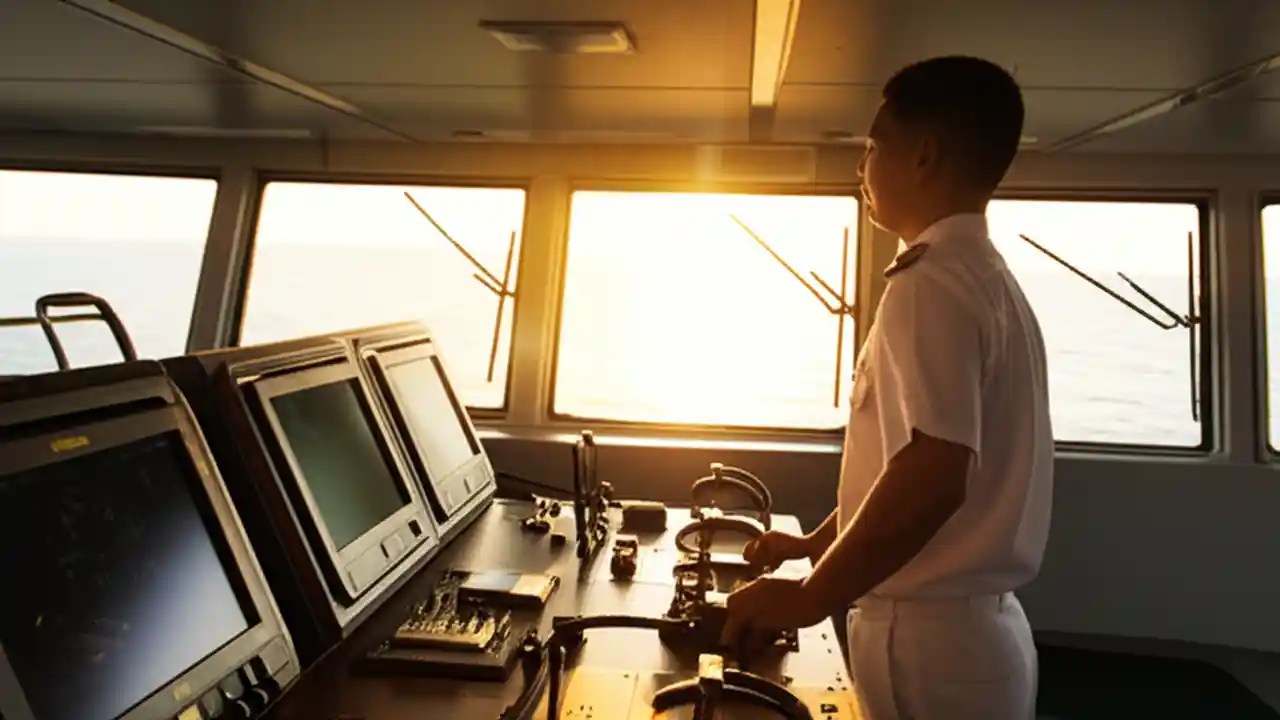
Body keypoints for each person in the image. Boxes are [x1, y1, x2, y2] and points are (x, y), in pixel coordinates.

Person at [720, 56, 1053, 720]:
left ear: (923, 156)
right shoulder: (986, 280)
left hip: (928, 645)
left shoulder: (926, 285)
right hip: (969, 638)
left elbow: (933, 476)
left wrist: (810, 596)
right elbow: (901, 466)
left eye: (873, 147)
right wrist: (815, 547)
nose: (862, 168)